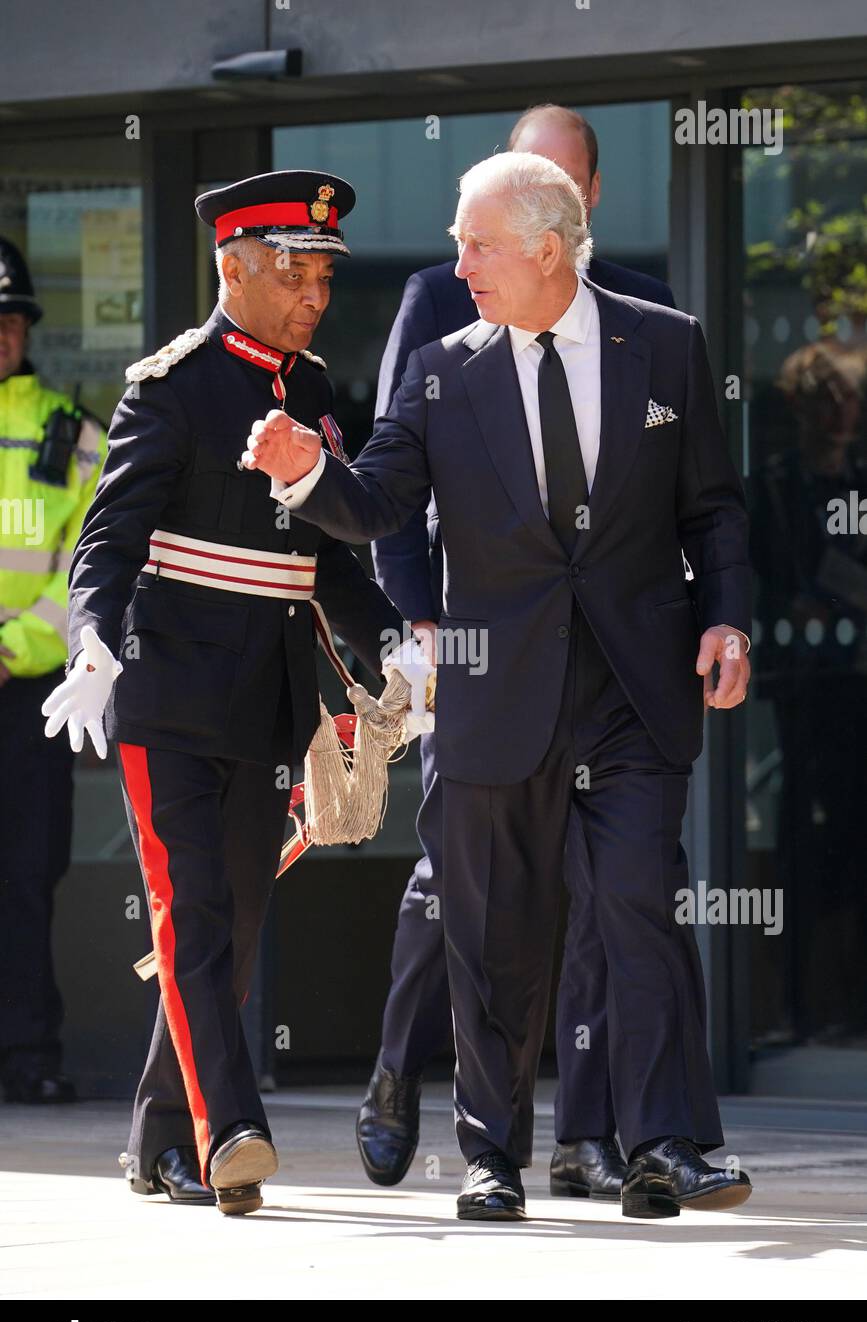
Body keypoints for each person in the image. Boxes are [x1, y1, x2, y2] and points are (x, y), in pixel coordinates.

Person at [245, 151, 755, 1221]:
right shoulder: (440, 369)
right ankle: (492, 1156)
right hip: (495, 696)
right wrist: (303, 471)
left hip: (631, 691)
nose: (458, 262)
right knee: (493, 935)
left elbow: (714, 507)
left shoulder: (666, 346)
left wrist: (725, 618)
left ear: (548, 249)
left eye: (476, 243)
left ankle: (664, 1143)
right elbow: (379, 502)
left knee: (637, 910)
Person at [42, 171, 415, 1217]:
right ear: (233, 267)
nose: (313, 294)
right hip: (164, 694)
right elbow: (108, 542)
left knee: (233, 927)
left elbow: (328, 557)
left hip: (263, 705)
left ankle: (160, 1135)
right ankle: (232, 1132)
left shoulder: (314, 392)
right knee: (192, 911)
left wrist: (389, 643)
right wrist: (93, 643)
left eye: (323, 276)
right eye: (293, 272)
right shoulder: (170, 386)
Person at [360, 103, 677, 1198]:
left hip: (598, 665)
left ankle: (585, 1133)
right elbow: (389, 478)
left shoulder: (644, 313)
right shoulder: (444, 296)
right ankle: (401, 1071)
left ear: (576, 212)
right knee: (456, 881)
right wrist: (419, 619)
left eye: (557, 179)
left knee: (598, 896)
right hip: (478, 645)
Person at [0, 237, 106, 1105]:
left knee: (29, 876)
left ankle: (29, 1051)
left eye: (10, 319)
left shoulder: (71, 435)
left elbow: (85, 568)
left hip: (26, 693)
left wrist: (10, 650)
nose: (1, 334)